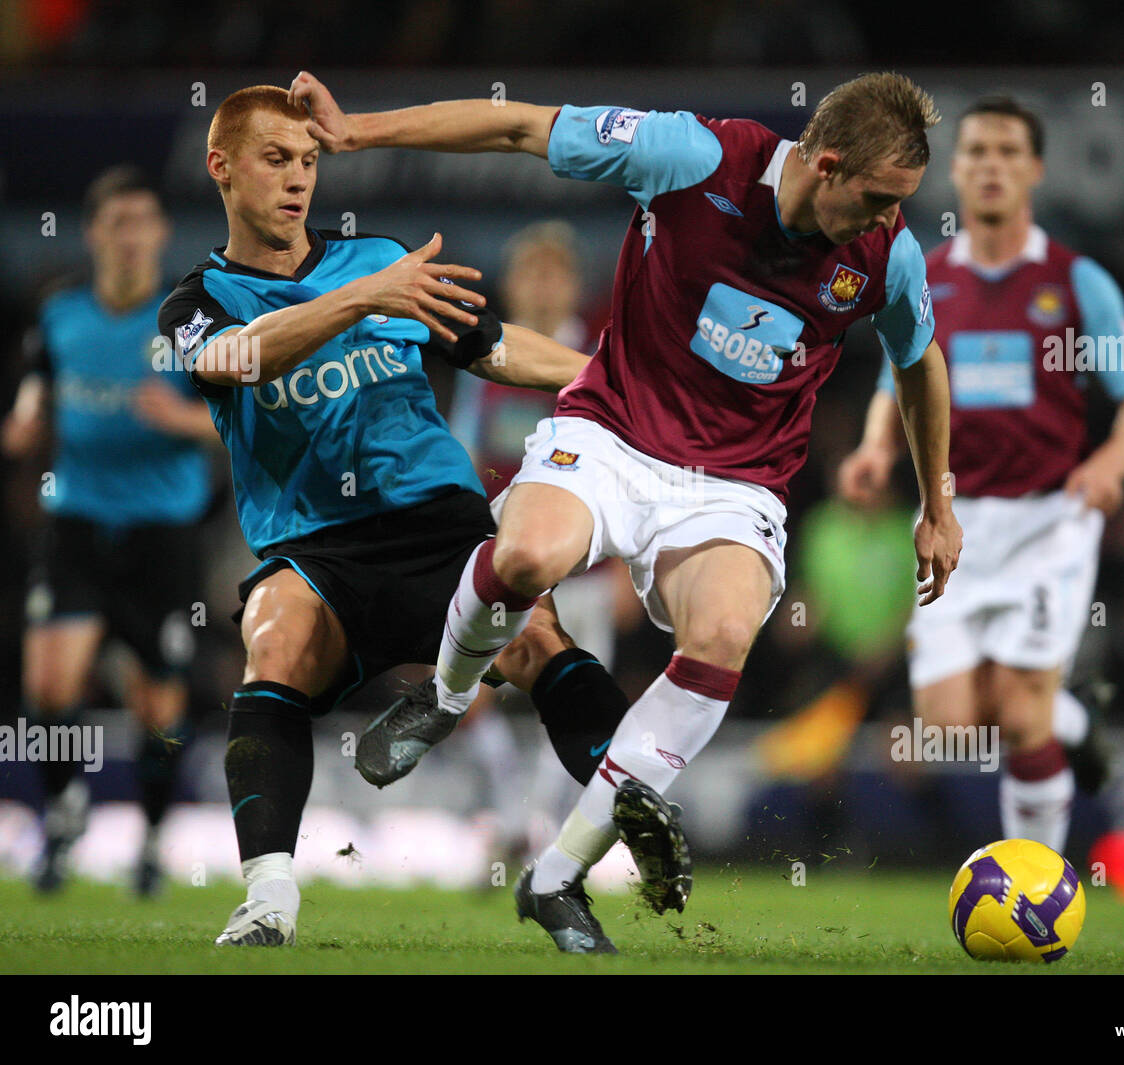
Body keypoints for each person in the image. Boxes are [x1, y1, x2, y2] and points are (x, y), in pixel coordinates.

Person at [290, 69, 963, 953]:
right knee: (526, 558)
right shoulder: (692, 155)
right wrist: (355, 134)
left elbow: (919, 361)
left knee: (721, 631)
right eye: (878, 200)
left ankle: (556, 876)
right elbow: (521, 129)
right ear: (826, 165)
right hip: (613, 431)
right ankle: (447, 695)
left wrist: (938, 504)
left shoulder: (888, 256)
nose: (888, 221)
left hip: (736, 484)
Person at [158, 85, 649, 948]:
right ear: (221, 167)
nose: (298, 179)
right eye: (277, 159)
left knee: (537, 640)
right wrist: (361, 300)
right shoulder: (198, 305)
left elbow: (492, 343)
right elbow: (234, 362)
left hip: (439, 525)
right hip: (317, 549)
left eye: (309, 161)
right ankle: (269, 901)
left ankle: (632, 814)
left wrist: (610, 387)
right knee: (271, 635)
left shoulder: (379, 260)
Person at [838, 97, 1124, 854]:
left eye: (1008, 152)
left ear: (1035, 170)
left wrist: (1109, 463)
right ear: (953, 171)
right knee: (949, 726)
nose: (991, 165)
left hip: (1050, 518)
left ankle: (1035, 884)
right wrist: (873, 448)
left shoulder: (1075, 282)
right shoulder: (923, 277)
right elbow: (903, 377)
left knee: (1021, 717)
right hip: (949, 518)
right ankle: (1074, 718)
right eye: (977, 151)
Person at [2, 166, 219, 897]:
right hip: (78, 519)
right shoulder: (60, 314)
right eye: (116, 223)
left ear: (161, 234)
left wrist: (182, 417)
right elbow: (39, 383)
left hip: (163, 529)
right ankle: (64, 807)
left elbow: (242, 424)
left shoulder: (191, 323)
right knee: (49, 682)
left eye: (144, 224)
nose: (131, 238)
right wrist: (28, 421)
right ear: (95, 233)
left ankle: (153, 838)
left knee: (159, 708)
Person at [446, 220, 629, 868]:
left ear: (574, 286)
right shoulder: (489, 361)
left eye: (555, 274)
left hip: (584, 573)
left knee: (570, 700)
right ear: (514, 285)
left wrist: (630, 571)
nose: (544, 287)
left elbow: (630, 463)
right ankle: (510, 812)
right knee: (466, 689)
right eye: (532, 274)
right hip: (507, 561)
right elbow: (468, 451)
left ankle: (540, 831)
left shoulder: (604, 359)